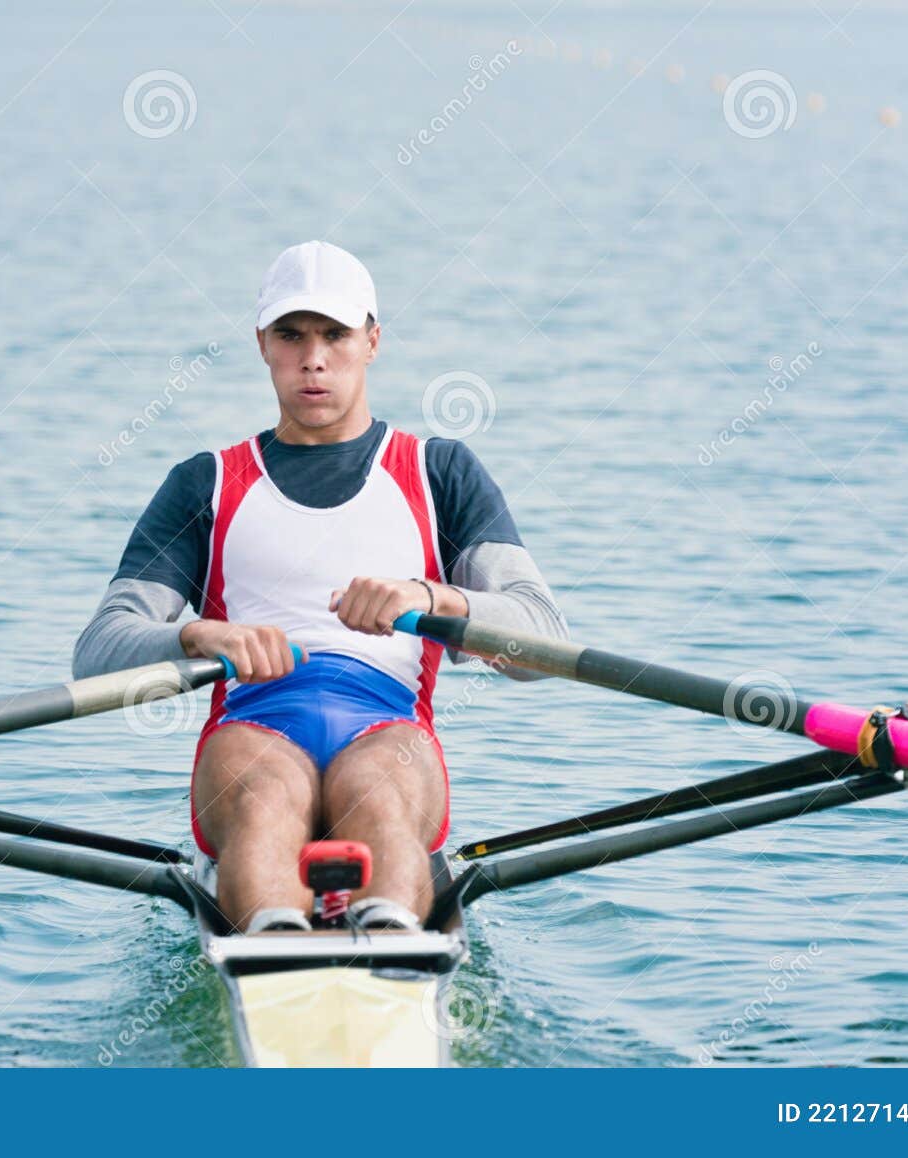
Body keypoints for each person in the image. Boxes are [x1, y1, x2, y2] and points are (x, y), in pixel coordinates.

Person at [74, 240, 566, 932]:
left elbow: (541, 640)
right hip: (255, 722)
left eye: (335, 334)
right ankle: (280, 947)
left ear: (372, 340)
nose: (314, 357)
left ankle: (391, 946)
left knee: (378, 793)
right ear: (262, 345)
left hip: (388, 722)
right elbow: (97, 651)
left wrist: (434, 598)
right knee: (267, 794)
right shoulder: (205, 484)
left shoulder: (440, 474)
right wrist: (196, 634)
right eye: (291, 335)